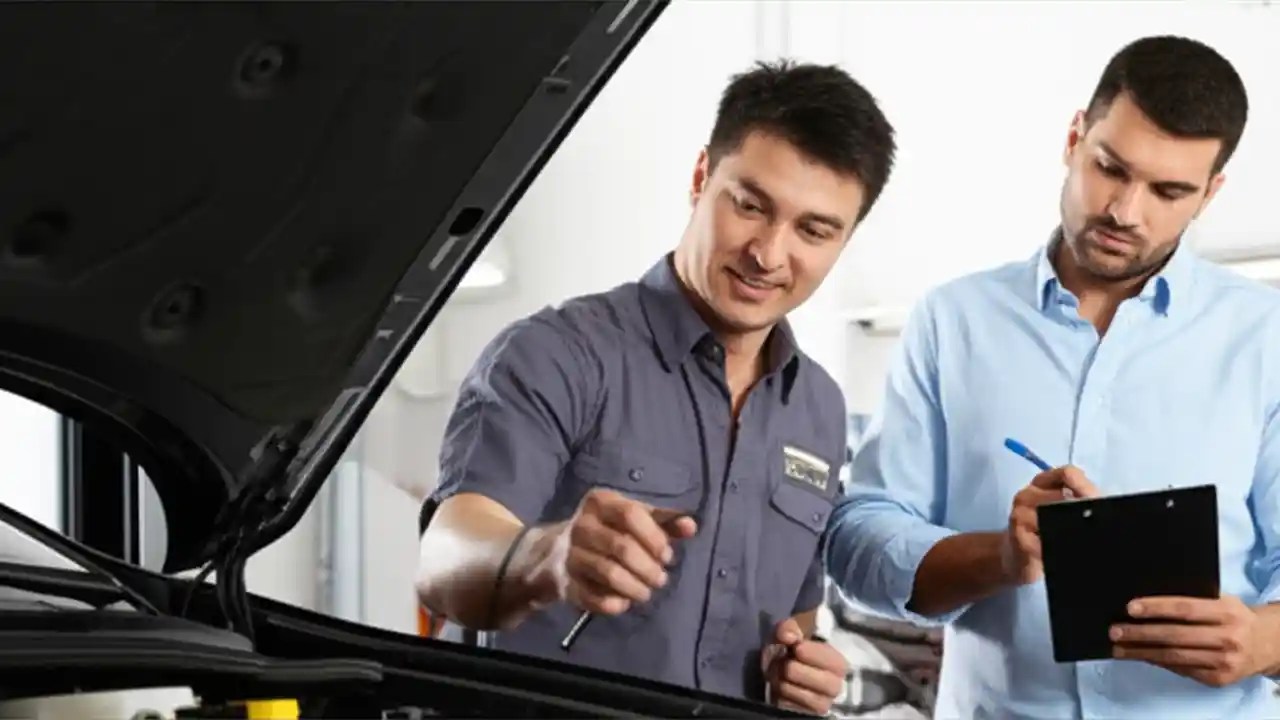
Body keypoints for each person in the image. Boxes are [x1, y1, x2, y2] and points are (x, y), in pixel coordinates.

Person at [414, 59, 896, 714]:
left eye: (813, 230)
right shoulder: (558, 353)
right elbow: (443, 564)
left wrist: (798, 671)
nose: (768, 253)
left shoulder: (819, 407)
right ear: (701, 177)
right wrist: (547, 557)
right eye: (750, 205)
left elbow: (795, 620)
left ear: (845, 239)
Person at [825, 34, 1280, 719]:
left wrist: (1264, 641)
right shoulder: (953, 321)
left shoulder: (1267, 337)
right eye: (1110, 168)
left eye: (1169, 191)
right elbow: (857, 540)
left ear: (1210, 194)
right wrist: (999, 558)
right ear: (1074, 138)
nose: (1125, 211)